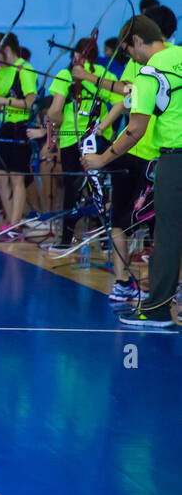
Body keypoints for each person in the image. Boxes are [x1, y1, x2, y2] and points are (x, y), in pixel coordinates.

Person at [83, 16, 182, 328]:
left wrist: (101, 159)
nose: (132, 59)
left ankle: (155, 312)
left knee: (167, 236)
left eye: (128, 51)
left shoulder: (149, 72)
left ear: (137, 41)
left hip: (175, 160)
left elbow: (135, 129)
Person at [45, 38, 120, 251]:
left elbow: (54, 112)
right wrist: (103, 125)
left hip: (72, 140)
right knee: (97, 187)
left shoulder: (65, 74)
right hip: (97, 139)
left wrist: (53, 126)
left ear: (78, 55)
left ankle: (65, 240)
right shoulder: (105, 77)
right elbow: (121, 102)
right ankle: (105, 240)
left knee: (72, 189)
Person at [0, 31, 37, 239]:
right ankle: (9, 220)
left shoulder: (25, 69)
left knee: (16, 178)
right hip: (4, 128)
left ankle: (15, 225)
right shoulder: (0, 71)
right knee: (1, 177)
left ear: (6, 50)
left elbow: (30, 103)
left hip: (20, 128)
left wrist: (2, 102)